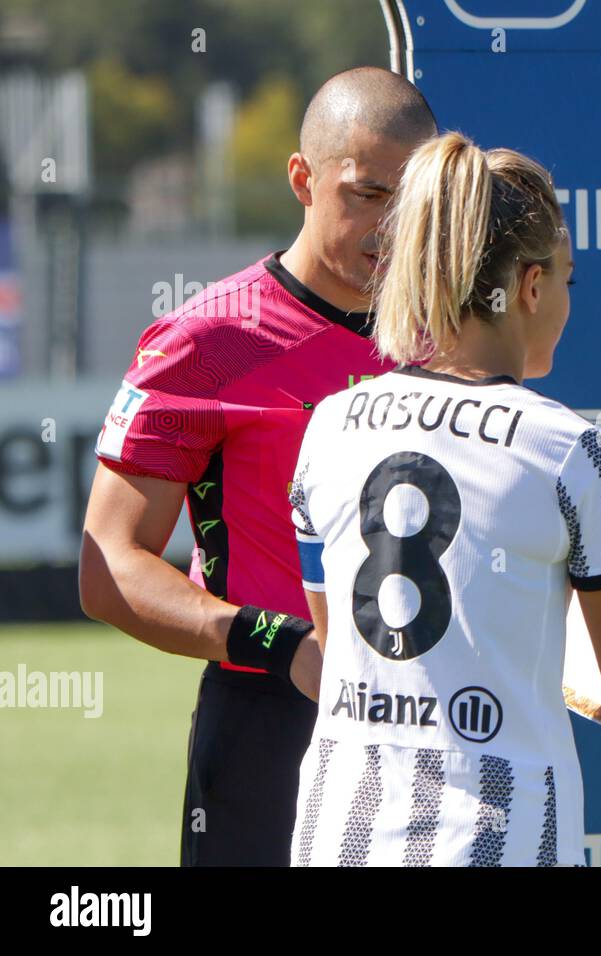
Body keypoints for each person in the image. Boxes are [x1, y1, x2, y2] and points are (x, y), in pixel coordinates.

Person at [285, 132, 601, 867]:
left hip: (336, 834)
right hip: (497, 840)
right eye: (567, 280)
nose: (565, 301)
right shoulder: (566, 448)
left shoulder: (329, 424)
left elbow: (346, 650)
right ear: (529, 286)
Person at [78, 67, 437, 866]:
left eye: (411, 202)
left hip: (434, 721)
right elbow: (109, 567)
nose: (390, 227)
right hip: (271, 721)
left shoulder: (449, 336)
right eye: (368, 195)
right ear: (302, 179)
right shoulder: (206, 341)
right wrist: (286, 646)